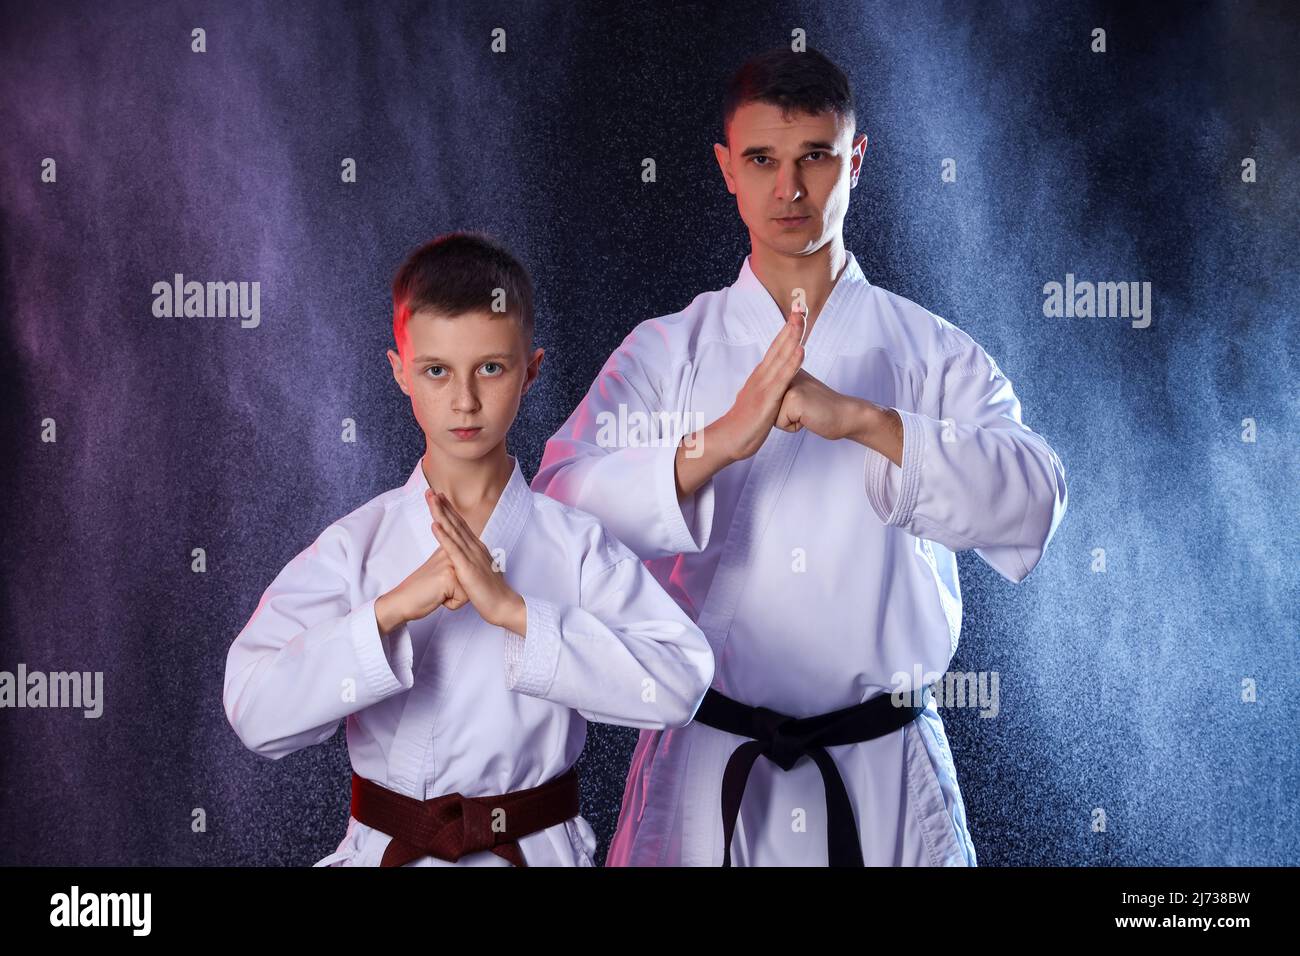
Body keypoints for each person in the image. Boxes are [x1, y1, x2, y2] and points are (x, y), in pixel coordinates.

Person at [532, 48, 1069, 866]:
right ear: (727, 170)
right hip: (707, 770)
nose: (789, 189)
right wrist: (717, 443)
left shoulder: (928, 353)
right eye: (763, 160)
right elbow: (551, 515)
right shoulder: (666, 352)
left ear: (854, 161)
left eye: (815, 156)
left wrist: (864, 420)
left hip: (883, 773)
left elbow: (1037, 497)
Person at [222, 232, 714, 867]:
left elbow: (681, 683)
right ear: (399, 371)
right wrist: (391, 611)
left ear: (531, 370)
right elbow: (254, 712)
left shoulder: (575, 544)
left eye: (491, 367)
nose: (464, 401)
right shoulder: (357, 548)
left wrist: (517, 613)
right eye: (436, 371)